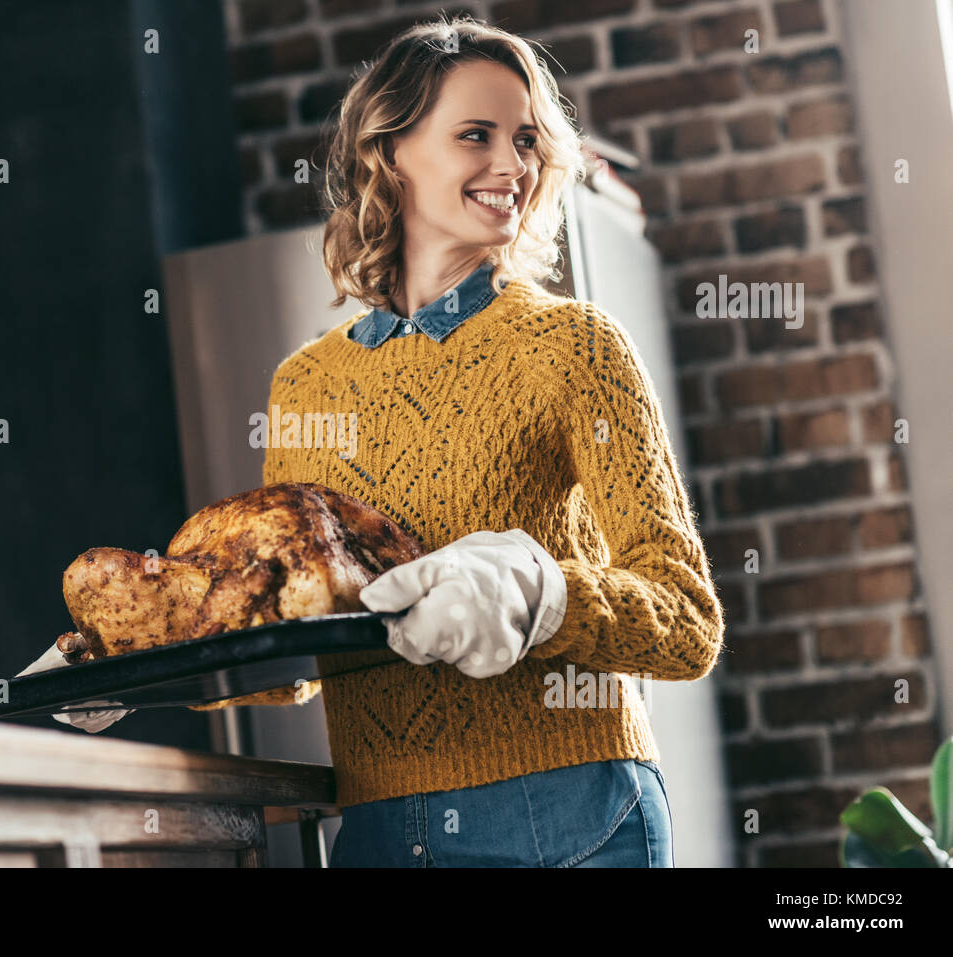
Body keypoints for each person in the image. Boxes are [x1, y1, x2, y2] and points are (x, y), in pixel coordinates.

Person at [260, 14, 726, 867]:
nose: (512, 167)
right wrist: (135, 653)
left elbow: (686, 621)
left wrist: (542, 593)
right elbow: (302, 638)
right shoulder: (305, 386)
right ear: (389, 153)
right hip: (376, 826)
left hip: (568, 806)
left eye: (525, 139)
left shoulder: (577, 347)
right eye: (477, 135)